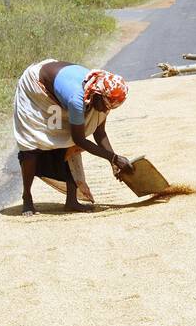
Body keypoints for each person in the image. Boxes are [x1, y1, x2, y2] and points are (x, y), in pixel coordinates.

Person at [13, 60, 134, 215]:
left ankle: (71, 201)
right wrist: (114, 158)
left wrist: (113, 162)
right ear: (97, 95)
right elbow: (79, 140)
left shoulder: (101, 92)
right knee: (32, 144)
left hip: (59, 89)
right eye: (104, 106)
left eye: (109, 108)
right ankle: (27, 197)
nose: (104, 110)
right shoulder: (77, 100)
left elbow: (100, 132)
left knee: (66, 141)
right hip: (36, 89)